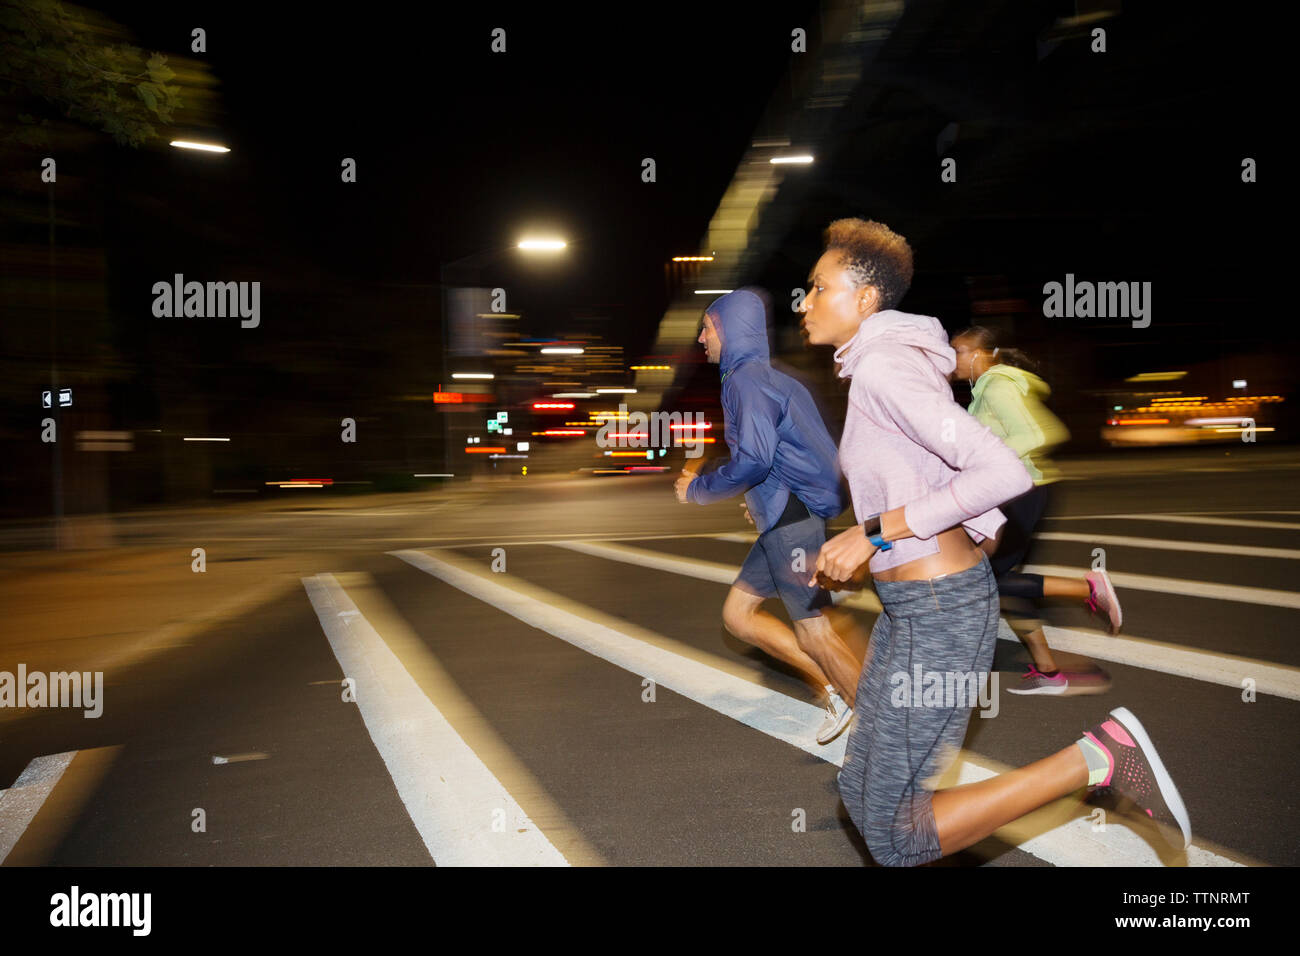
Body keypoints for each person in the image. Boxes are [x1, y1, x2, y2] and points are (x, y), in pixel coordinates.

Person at [802, 217, 1190, 865]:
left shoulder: (884, 369)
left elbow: (1002, 471)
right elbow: (952, 472)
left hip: (938, 612)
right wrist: (966, 540)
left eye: (817, 288)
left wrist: (874, 534)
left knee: (897, 834)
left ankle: (1100, 759)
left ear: (865, 298)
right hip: (918, 609)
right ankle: (1096, 760)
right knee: (859, 788)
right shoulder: (889, 364)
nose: (805, 302)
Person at [675, 287, 862, 744]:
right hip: (785, 515)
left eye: (706, 327)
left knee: (815, 633)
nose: (701, 339)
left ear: (725, 328)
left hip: (791, 521)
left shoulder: (745, 381)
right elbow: (789, 453)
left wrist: (698, 489)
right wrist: (759, 499)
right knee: (739, 617)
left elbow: (755, 460)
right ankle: (833, 689)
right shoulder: (767, 377)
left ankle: (881, 730)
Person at [951, 326, 1119, 695]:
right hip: (1014, 493)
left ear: (980, 353)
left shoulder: (997, 385)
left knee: (985, 578)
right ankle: (1048, 670)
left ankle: (1086, 588)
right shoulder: (985, 391)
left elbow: (1042, 434)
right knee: (1003, 584)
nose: (954, 359)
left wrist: (987, 464)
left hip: (1024, 491)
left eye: (959, 350)